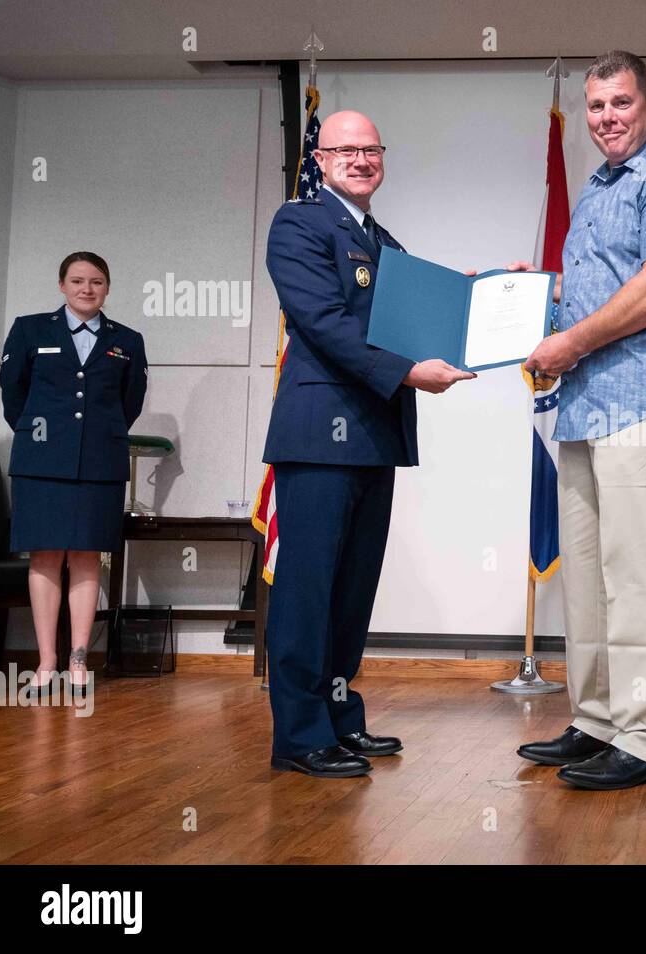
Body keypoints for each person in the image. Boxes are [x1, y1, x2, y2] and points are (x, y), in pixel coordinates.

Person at [513, 50, 646, 790]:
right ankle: (597, 719)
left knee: (641, 577)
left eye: (620, 104)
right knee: (592, 580)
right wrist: (522, 303)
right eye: (596, 107)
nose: (606, 119)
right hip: (582, 408)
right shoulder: (600, 188)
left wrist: (568, 340)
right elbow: (591, 292)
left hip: (642, 403)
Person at [262, 109, 475, 778]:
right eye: (344, 150)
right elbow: (322, 322)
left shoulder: (382, 239)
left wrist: (498, 291)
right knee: (306, 591)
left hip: (372, 437)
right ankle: (300, 737)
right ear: (319, 160)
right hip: (319, 436)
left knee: (351, 592)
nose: (360, 159)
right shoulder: (298, 224)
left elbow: (430, 309)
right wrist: (408, 372)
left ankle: (338, 720)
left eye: (371, 149)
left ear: (383, 156)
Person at [0, 251, 148, 698]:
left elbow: (129, 402)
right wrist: (43, 435)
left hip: (100, 464)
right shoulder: (30, 329)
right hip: (40, 462)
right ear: (62, 285)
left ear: (107, 288)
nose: (87, 289)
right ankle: (47, 661)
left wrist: (96, 438)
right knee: (44, 557)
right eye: (78, 280)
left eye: (97, 281)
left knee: (86, 557)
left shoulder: (128, 340)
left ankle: (79, 660)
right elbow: (13, 392)